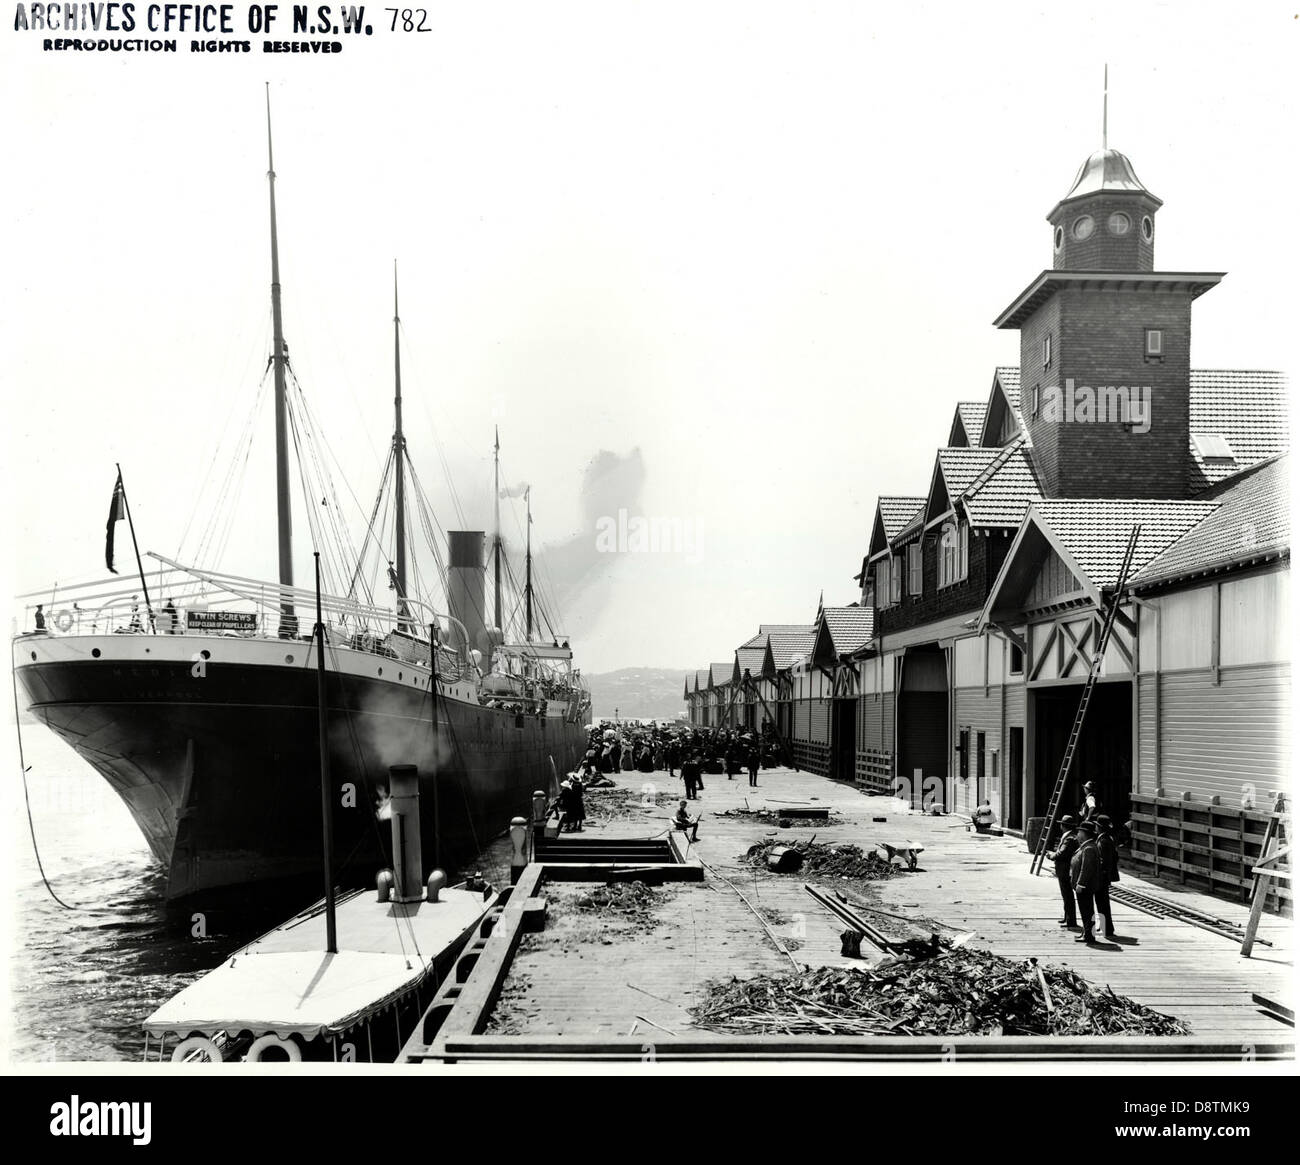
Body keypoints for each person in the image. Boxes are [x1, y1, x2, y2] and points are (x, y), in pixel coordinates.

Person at [1070, 820, 1100, 944]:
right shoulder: (1086, 846)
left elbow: (1086, 868)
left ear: (1084, 833)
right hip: (1084, 886)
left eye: (1079, 832)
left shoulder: (1089, 848)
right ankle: (1087, 933)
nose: (1078, 834)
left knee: (1087, 911)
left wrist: (1080, 884)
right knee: (1085, 911)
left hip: (1085, 886)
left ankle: (1089, 935)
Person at [1046, 815, 1079, 928]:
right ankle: (1067, 917)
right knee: (1066, 895)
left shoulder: (1069, 838)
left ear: (1063, 826)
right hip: (1065, 870)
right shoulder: (1069, 837)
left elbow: (1061, 853)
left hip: (1065, 871)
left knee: (1067, 895)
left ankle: (1070, 920)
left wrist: (1051, 855)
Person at [1094, 815, 1120, 938]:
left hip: (1102, 877)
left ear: (1099, 828)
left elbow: (1104, 861)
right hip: (1104, 877)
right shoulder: (1106, 839)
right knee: (1102, 903)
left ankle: (1107, 928)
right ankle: (1105, 927)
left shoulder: (1103, 841)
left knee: (1102, 903)